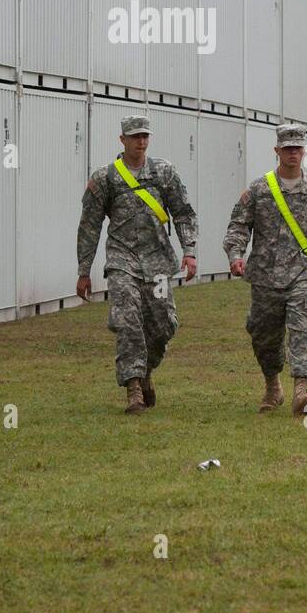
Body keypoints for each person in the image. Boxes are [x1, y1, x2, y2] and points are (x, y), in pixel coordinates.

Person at [223, 123, 307, 415]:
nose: (293, 153)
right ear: (277, 151)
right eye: (288, 148)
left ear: (304, 151)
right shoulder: (259, 189)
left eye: (298, 148)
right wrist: (235, 255)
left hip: (301, 274)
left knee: (302, 327)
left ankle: (302, 390)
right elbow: (238, 227)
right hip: (265, 276)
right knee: (264, 337)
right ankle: (272, 385)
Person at [76, 115, 198, 414]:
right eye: (135, 137)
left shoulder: (163, 173)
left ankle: (144, 372)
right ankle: (133, 391)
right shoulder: (106, 178)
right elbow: (89, 226)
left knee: (163, 325)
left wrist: (190, 250)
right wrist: (84, 270)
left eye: (145, 136)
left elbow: (183, 212)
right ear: (123, 140)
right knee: (128, 321)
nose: (141, 142)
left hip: (157, 264)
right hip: (123, 262)